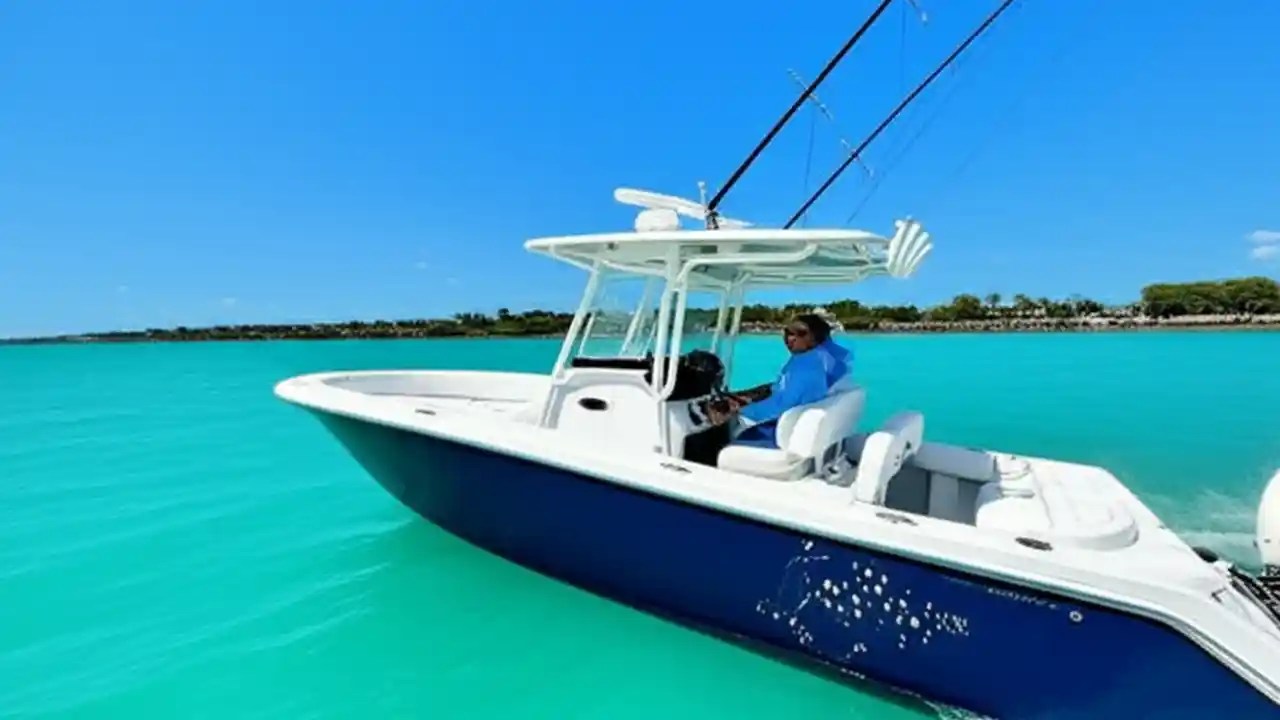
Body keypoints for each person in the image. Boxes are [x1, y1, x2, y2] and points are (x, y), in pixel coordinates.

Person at [705, 313, 852, 449]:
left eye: (800, 333)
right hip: (791, 423)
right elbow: (780, 390)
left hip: (778, 430)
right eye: (787, 332)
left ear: (816, 337)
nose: (790, 338)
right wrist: (743, 399)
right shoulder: (818, 360)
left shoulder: (804, 368)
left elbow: (780, 407)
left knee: (714, 430)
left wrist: (739, 410)